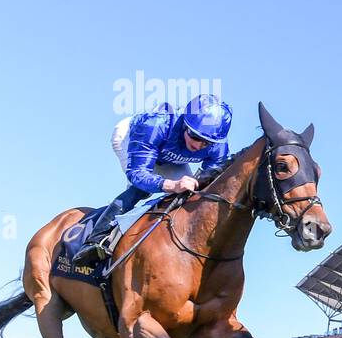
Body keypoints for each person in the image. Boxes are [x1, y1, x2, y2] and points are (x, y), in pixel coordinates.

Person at [72, 95, 233, 265]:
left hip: (172, 155)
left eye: (207, 143)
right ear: (185, 124)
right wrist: (170, 184)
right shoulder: (155, 125)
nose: (199, 146)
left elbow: (209, 181)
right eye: (195, 137)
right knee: (142, 189)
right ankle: (96, 240)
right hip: (131, 138)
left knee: (189, 193)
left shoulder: (218, 145)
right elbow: (138, 174)